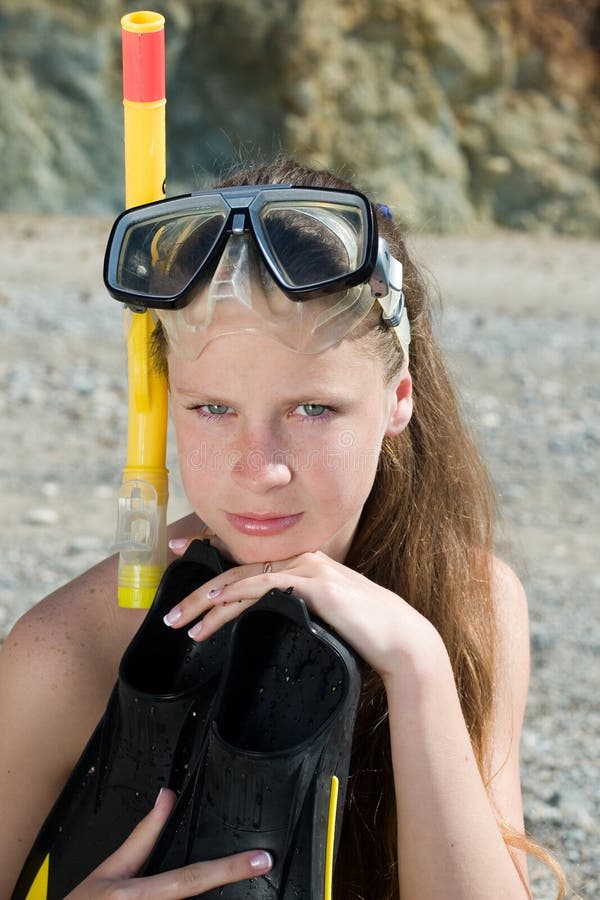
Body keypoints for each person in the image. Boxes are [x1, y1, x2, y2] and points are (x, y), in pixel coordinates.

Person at [0, 157, 565, 899]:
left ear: (398, 399)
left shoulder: (466, 602)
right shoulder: (68, 651)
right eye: (213, 409)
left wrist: (419, 669)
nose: (259, 470)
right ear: (168, 401)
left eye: (312, 410)